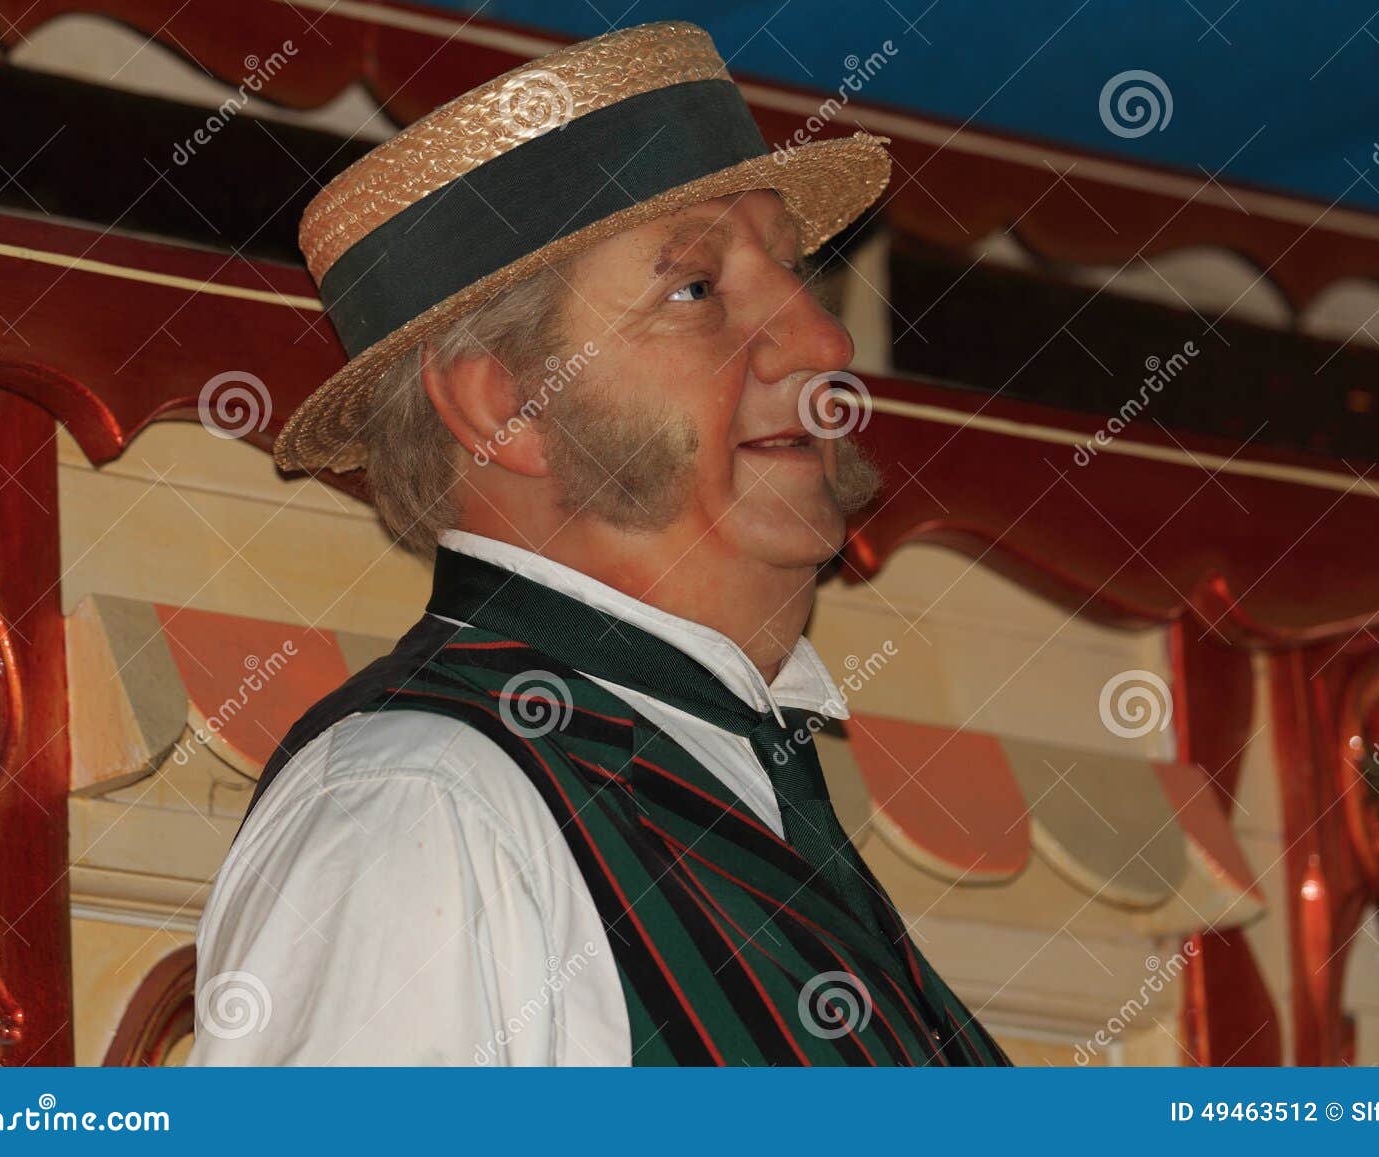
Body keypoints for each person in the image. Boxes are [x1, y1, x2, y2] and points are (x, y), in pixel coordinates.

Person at [188, 18, 1009, 1067]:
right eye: (695, 289)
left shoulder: (720, 770)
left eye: (796, 271)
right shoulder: (419, 806)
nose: (823, 339)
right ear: (505, 405)